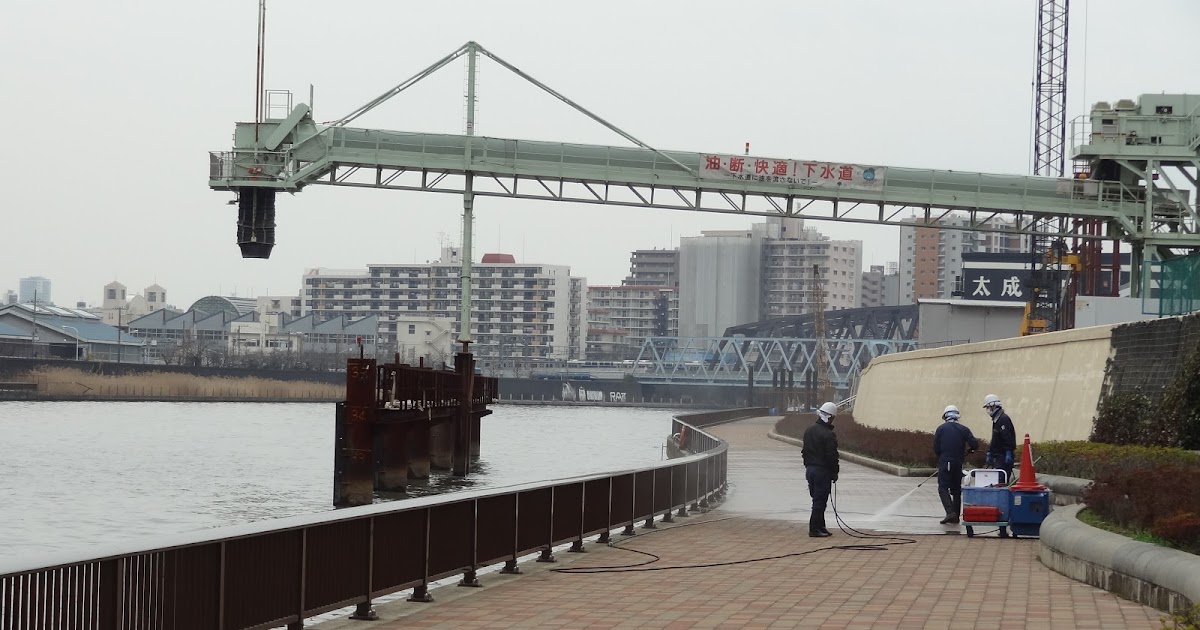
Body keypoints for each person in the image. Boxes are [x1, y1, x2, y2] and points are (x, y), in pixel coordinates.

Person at [933, 404, 979, 524]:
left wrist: (942, 457)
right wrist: (969, 449)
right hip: (958, 463)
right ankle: (956, 515)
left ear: (946, 416)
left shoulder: (941, 429)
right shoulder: (964, 429)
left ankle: (950, 512)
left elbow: (936, 448)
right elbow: (975, 444)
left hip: (945, 462)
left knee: (943, 488)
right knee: (956, 489)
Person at [802, 401, 840, 537]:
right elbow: (832, 456)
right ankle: (814, 528)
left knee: (816, 498)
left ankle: (821, 525)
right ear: (829, 417)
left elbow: (804, 451)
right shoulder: (828, 434)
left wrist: (808, 466)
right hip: (822, 471)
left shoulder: (809, 430)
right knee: (820, 500)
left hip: (810, 470)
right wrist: (834, 472)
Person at [982, 394, 1017, 483]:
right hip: (999, 456)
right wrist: (991, 452)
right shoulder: (997, 420)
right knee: (997, 481)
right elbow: (995, 439)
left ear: (993, 406)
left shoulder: (1003, 419)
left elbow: (1007, 437)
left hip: (1004, 456)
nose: (987, 410)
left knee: (1001, 481)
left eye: (988, 407)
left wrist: (1008, 451)